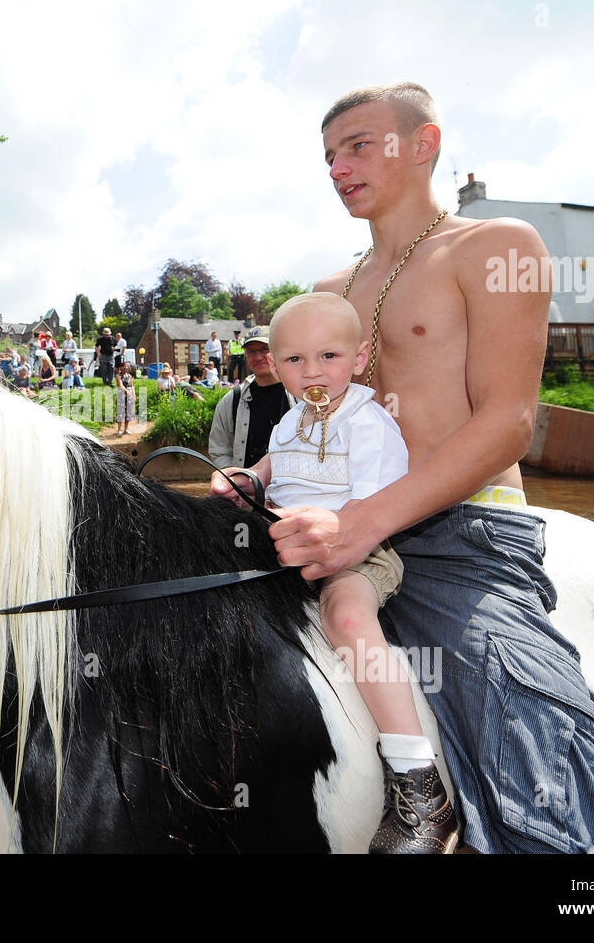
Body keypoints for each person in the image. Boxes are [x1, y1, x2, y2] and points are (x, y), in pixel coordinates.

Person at [233, 81, 594, 854]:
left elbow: (509, 422)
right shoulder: (328, 292)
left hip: (464, 531)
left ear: (424, 144)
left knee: (527, 734)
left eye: (357, 146)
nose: (338, 168)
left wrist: (362, 525)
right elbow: (315, 421)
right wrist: (255, 479)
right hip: (331, 527)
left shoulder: (497, 248)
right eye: (329, 155)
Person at [217, 292, 453, 852]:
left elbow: (374, 505)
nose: (313, 372)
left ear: (359, 357)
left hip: (359, 549)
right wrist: (250, 478)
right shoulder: (290, 419)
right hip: (287, 543)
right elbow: (276, 463)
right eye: (295, 360)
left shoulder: (367, 421)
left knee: (347, 617)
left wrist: (318, 522)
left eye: (328, 356)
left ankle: (417, 778)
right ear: (275, 366)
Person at [208, 328, 293, 470]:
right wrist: (237, 478)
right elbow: (219, 450)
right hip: (247, 483)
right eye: (252, 352)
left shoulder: (299, 395)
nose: (258, 357)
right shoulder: (232, 401)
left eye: (264, 349)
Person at [114, 361, 135, 436]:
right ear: (121, 368)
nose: (125, 368)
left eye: (126, 367)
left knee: (128, 413)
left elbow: (132, 386)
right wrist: (127, 392)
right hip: (121, 396)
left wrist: (134, 395)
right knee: (120, 413)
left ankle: (126, 429)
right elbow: (120, 385)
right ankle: (119, 430)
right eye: (124, 367)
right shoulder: (118, 376)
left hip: (129, 396)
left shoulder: (130, 376)